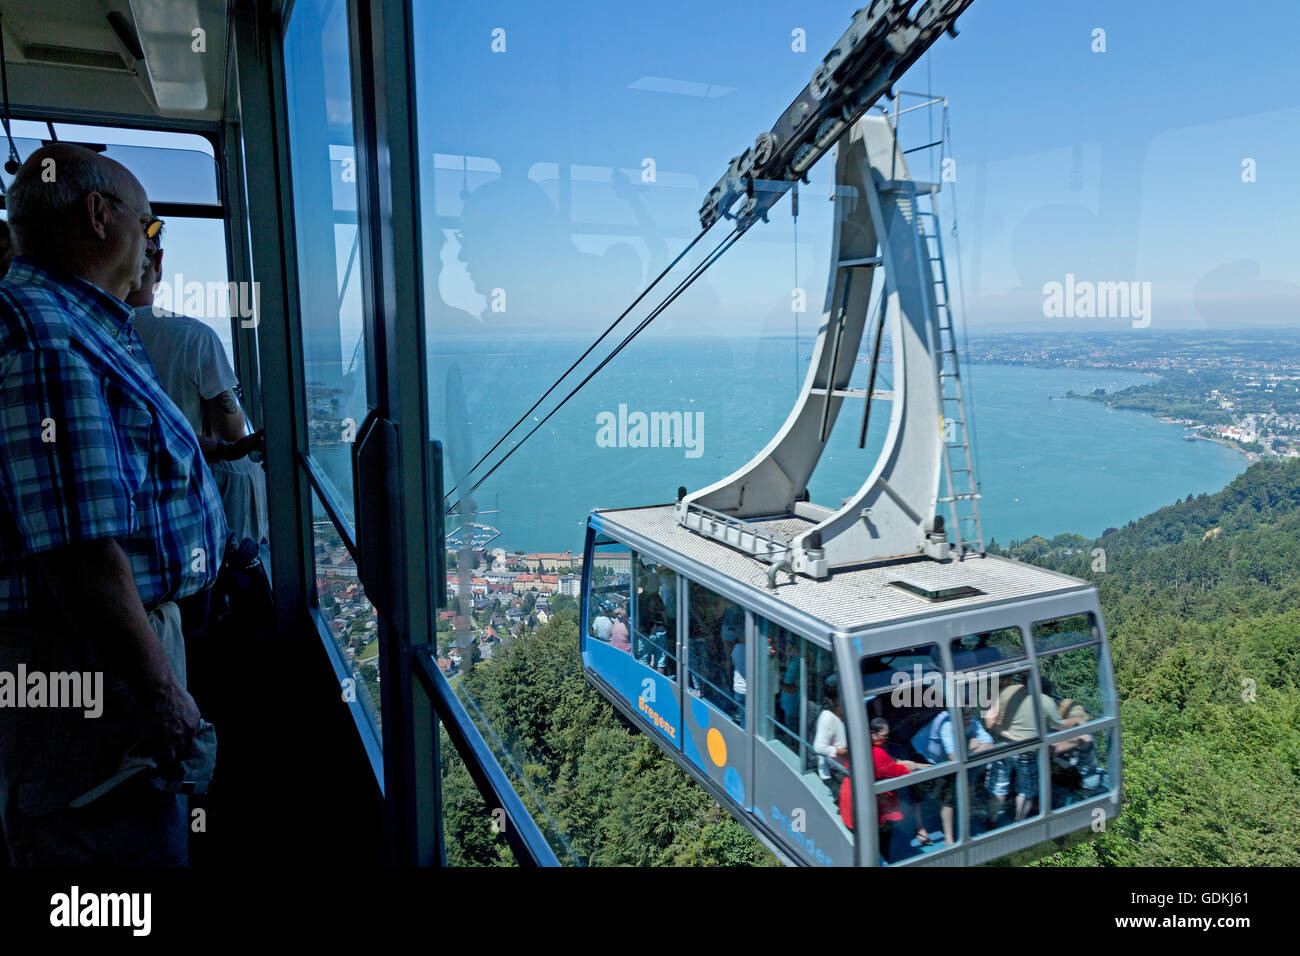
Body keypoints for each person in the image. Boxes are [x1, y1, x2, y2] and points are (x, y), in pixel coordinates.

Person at [0, 144, 226, 865]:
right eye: (149, 225)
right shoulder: (48, 338)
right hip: (94, 672)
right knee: (115, 851)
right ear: (99, 216)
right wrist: (163, 698)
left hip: (98, 655)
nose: (151, 243)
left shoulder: (74, 321)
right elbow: (82, 550)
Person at [126, 233, 267, 573]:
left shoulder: (88, 332)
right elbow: (232, 432)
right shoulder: (192, 335)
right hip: (184, 516)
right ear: (158, 263)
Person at [981, 674, 1085, 823]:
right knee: (1025, 791)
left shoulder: (1009, 692)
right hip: (1028, 752)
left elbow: (994, 716)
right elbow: (1059, 725)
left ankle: (992, 820)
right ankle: (1019, 821)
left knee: (998, 787)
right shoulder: (1046, 701)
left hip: (1004, 748)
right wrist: (1075, 720)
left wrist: (1006, 733)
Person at [910, 709, 994, 845]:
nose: (971, 720)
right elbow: (954, 756)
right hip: (923, 754)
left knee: (948, 799)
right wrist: (971, 747)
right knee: (919, 794)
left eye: (971, 716)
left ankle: (948, 837)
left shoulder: (972, 721)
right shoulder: (947, 725)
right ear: (956, 717)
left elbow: (990, 744)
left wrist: (972, 748)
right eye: (967, 718)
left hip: (948, 760)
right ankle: (920, 826)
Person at [869, 718, 929, 860]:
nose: (886, 739)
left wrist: (916, 764)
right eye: (884, 736)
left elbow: (892, 760)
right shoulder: (875, 753)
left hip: (881, 800)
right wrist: (916, 766)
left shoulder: (874, 746)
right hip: (879, 802)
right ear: (872, 733)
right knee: (884, 835)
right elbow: (897, 770)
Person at [813, 682, 849, 805]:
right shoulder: (827, 717)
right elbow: (819, 747)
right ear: (836, 700)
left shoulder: (845, 714)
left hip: (845, 769)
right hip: (835, 773)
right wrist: (842, 751)